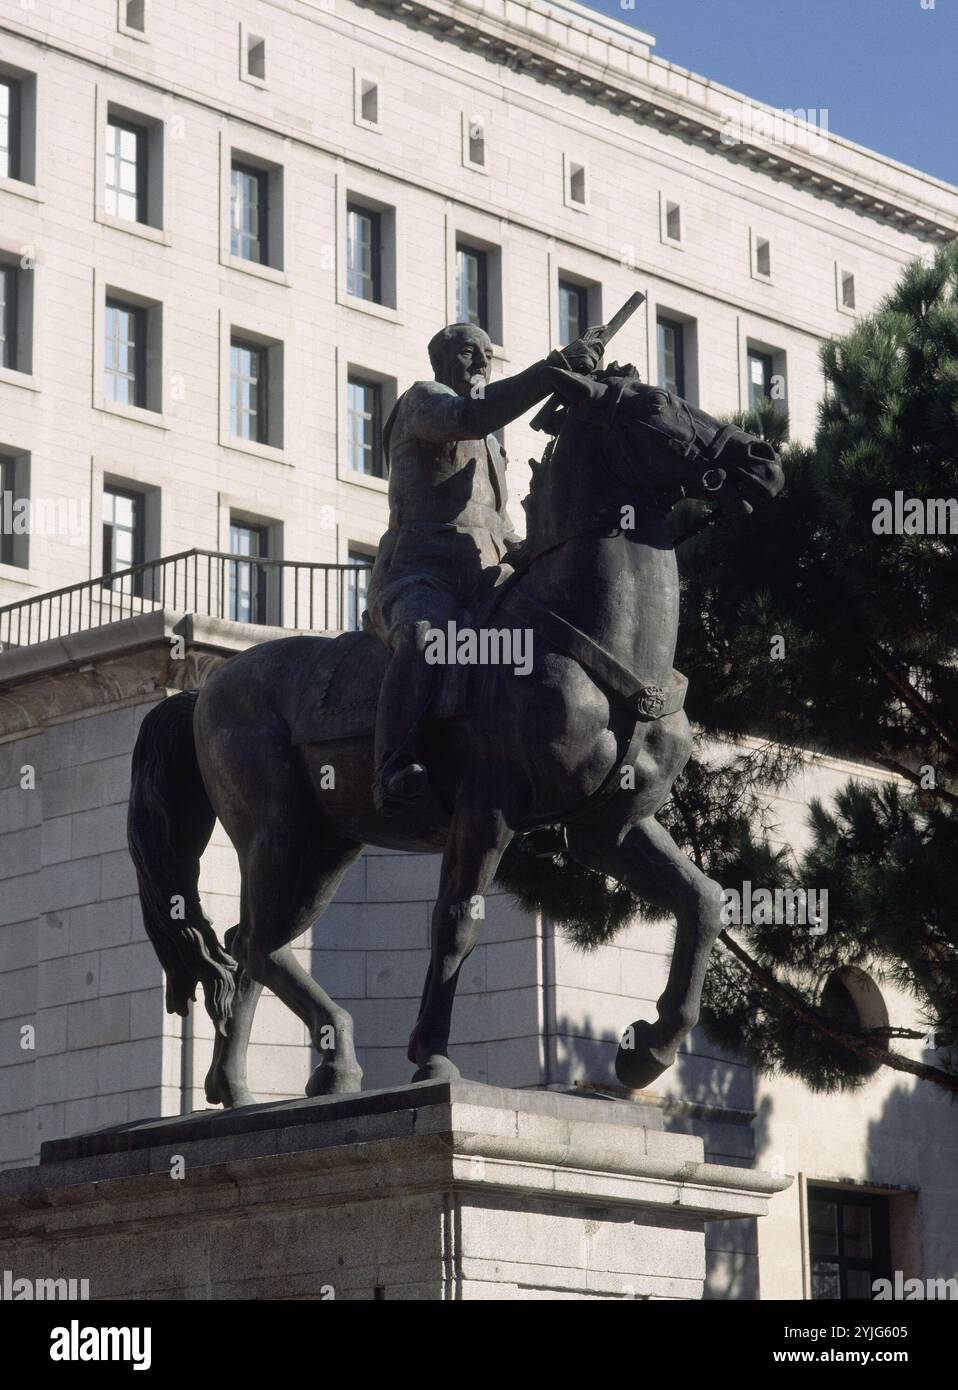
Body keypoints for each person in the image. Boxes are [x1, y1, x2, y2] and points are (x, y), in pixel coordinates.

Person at [365, 321, 602, 813]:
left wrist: (531, 550)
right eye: (470, 352)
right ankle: (390, 764)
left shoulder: (492, 438)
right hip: (421, 571)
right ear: (441, 361)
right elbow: (471, 415)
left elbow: (498, 520)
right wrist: (554, 367)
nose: (481, 362)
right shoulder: (424, 401)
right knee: (425, 637)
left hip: (485, 576)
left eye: (488, 355)